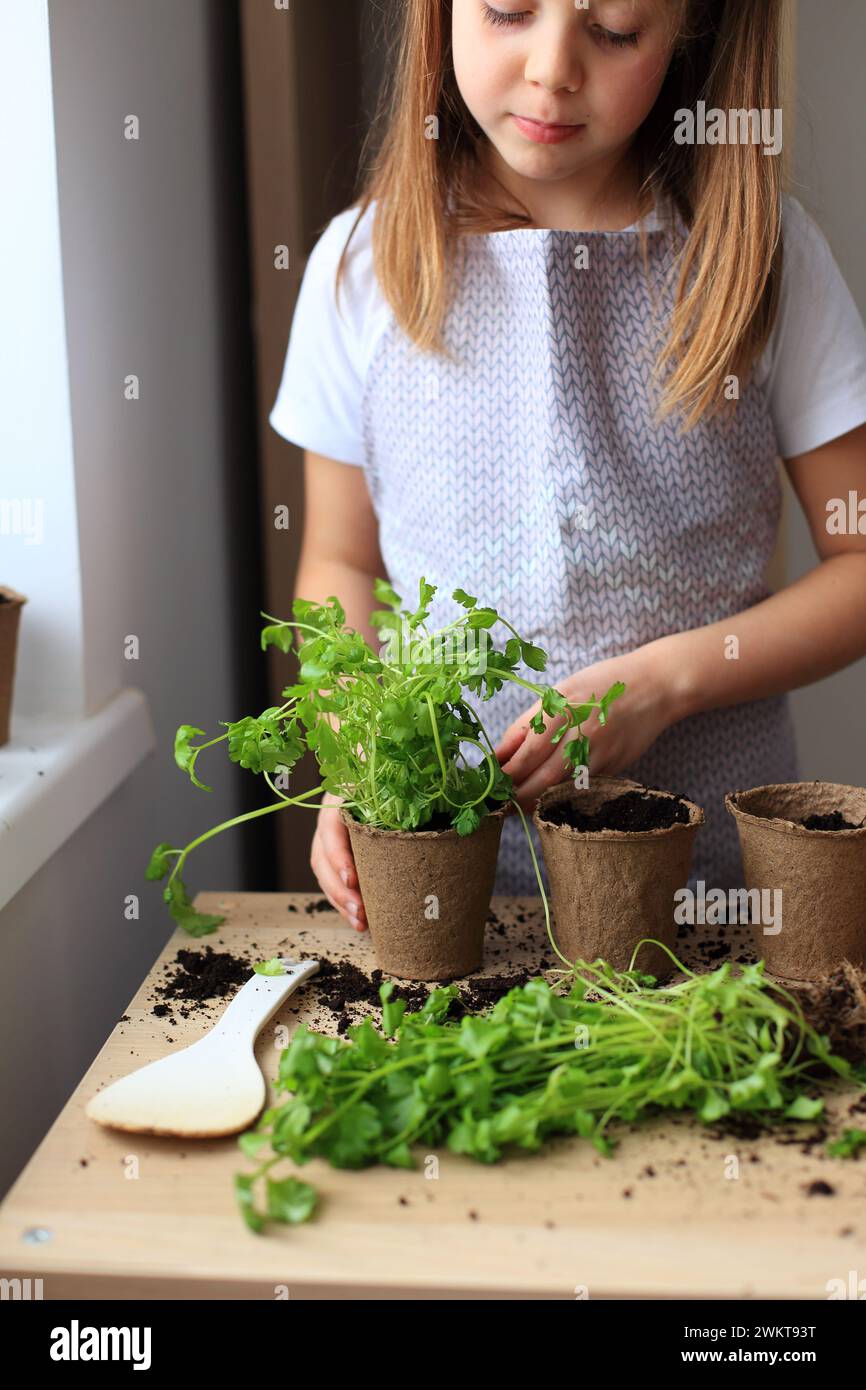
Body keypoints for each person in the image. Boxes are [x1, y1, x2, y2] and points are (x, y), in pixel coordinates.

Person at [269, 0, 866, 933]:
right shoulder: (359, 268)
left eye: (617, 30)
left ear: (689, 33)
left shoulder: (764, 260)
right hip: (463, 901)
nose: (553, 68)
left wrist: (663, 683)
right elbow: (339, 565)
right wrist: (356, 758)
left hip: (717, 898)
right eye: (509, 10)